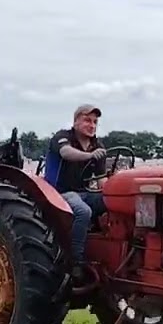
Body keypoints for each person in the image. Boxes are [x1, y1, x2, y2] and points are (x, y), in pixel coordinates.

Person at [44, 104, 108, 272]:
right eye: (87, 120)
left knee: (111, 202)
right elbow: (66, 153)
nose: (92, 125)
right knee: (83, 211)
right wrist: (89, 156)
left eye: (95, 122)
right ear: (76, 121)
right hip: (58, 193)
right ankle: (75, 261)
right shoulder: (62, 137)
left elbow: (102, 181)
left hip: (85, 193)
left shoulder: (97, 146)